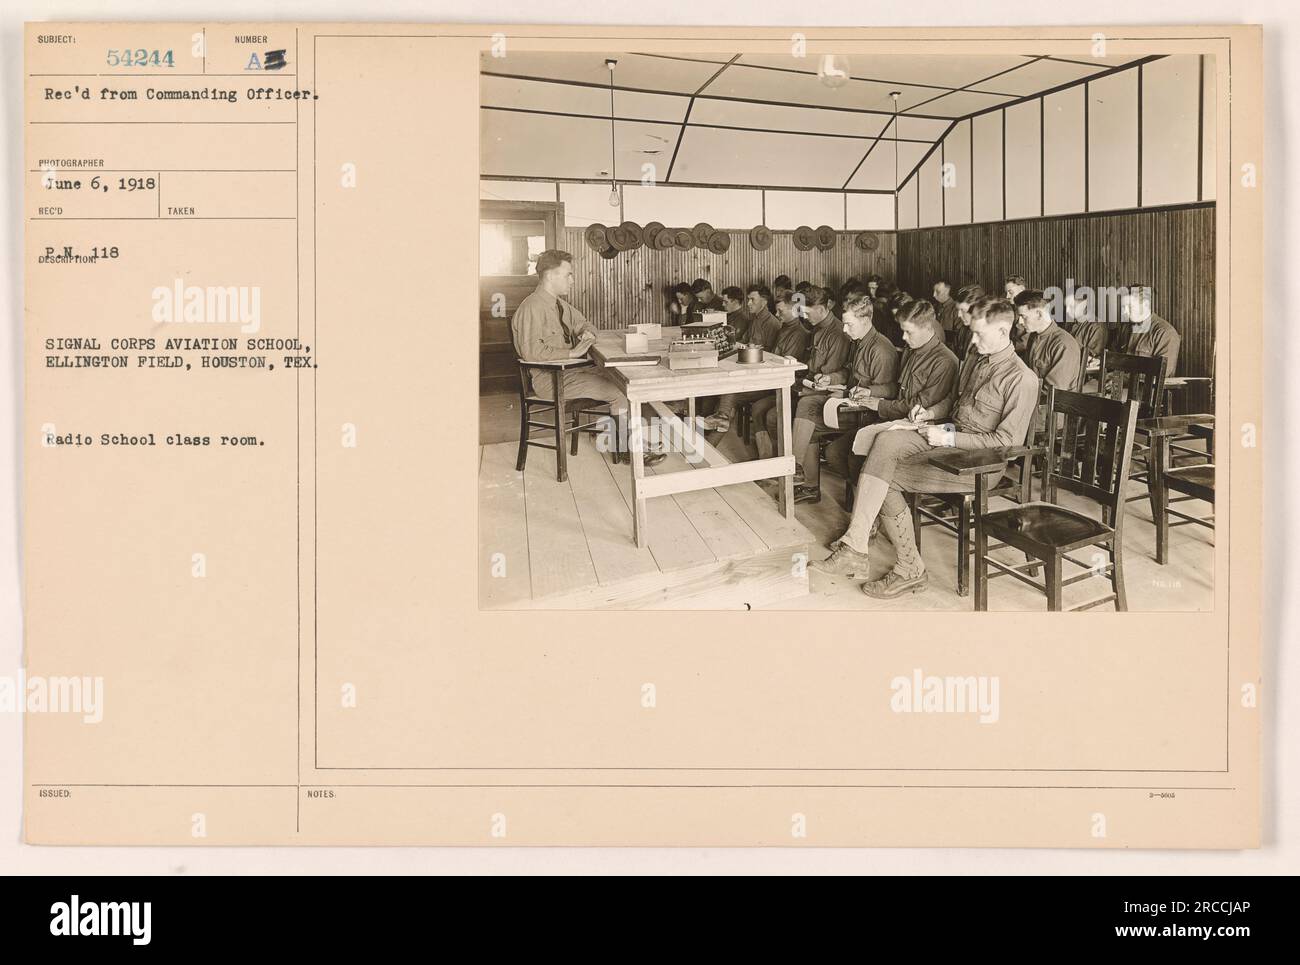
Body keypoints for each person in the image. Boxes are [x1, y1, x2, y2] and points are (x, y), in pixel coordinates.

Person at [811, 296, 1039, 599]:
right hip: (949, 435)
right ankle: (858, 545)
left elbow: (1005, 443)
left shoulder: (1022, 378)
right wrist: (930, 413)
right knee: (885, 441)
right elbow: (954, 401)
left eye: (979, 333)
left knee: (884, 473)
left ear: (1002, 332)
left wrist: (948, 438)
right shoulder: (975, 357)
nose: (971, 339)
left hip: (980, 463)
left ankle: (907, 568)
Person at [511, 249, 665, 466]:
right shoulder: (532, 307)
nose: (572, 280)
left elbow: (585, 323)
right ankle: (631, 450)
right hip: (550, 378)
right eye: (568, 275)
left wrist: (587, 333)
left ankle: (625, 440)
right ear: (551, 275)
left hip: (571, 370)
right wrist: (572, 353)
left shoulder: (559, 305)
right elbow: (531, 353)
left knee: (624, 379)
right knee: (618, 392)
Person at [829, 300, 960, 496]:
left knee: (855, 455)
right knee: (834, 451)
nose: (903, 337)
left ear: (927, 327)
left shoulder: (945, 361)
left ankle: (876, 503)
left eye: (909, 332)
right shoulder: (911, 350)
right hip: (895, 419)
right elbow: (897, 388)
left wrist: (881, 405)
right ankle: (873, 499)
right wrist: (872, 392)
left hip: (921, 427)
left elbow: (919, 406)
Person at [790, 290, 899, 504]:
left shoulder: (881, 350)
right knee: (808, 409)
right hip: (849, 403)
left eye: (849, 324)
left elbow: (889, 390)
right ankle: (805, 480)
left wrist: (866, 392)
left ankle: (798, 469)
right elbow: (848, 372)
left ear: (866, 320)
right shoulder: (859, 342)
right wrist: (829, 378)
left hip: (865, 414)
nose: (844, 329)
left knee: (808, 409)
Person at [756, 286, 851, 460]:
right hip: (807, 387)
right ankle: (781, 461)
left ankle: (790, 464)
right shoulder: (817, 328)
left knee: (773, 415)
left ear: (821, 309)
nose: (804, 317)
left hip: (821, 393)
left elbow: (828, 377)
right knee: (770, 414)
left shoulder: (838, 334)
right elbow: (810, 365)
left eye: (807, 313)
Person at [744, 291, 811, 444]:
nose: (776, 313)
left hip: (787, 385)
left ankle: (776, 453)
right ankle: (766, 453)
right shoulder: (784, 329)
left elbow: (783, 364)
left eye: (781, 311)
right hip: (775, 380)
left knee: (761, 409)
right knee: (756, 407)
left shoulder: (799, 334)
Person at [1018, 290, 1083, 391]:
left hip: (1055, 404)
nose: (1020, 322)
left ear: (1039, 314)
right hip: (1034, 397)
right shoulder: (1033, 336)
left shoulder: (1063, 344)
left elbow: (1053, 393)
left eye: (1023, 316)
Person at [1122, 284, 1181, 376]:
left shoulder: (1165, 333)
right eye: (1123, 307)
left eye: (1129, 307)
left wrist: (1123, 378)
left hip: (1147, 389)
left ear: (1145, 305)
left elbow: (1161, 373)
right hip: (1120, 386)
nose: (1124, 312)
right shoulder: (1125, 328)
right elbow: (1115, 359)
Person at [1064, 286, 1109, 363]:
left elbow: (1092, 359)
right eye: (1066, 306)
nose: (1067, 310)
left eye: (1071, 306)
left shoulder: (1097, 327)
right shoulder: (1069, 324)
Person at [952, 284, 984, 360]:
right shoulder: (961, 331)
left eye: (963, 310)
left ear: (976, 309)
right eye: (958, 310)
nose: (959, 315)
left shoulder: (987, 336)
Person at [932, 279, 959, 346]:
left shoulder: (956, 309)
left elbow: (958, 336)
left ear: (947, 291)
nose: (934, 295)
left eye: (938, 292)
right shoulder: (934, 307)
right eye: (934, 291)